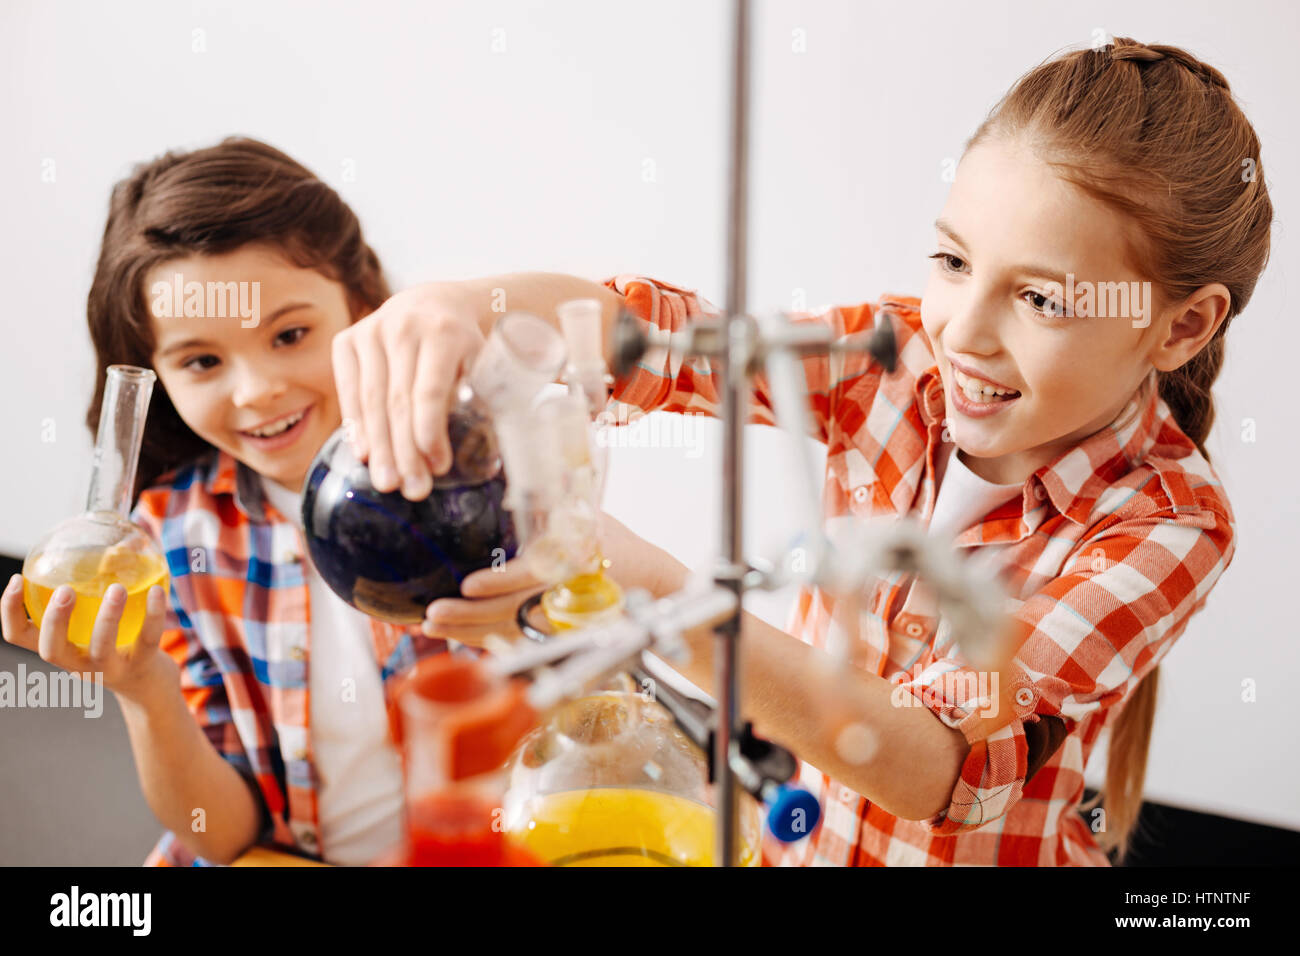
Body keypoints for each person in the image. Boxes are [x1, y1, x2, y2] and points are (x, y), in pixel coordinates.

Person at [333, 38, 1270, 865]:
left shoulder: (1168, 520)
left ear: (1182, 324)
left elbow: (932, 766)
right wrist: (464, 307)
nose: (964, 333)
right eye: (952, 262)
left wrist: (657, 594)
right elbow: (666, 341)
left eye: (1043, 300)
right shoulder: (894, 361)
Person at [2, 137, 450, 866]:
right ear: (157, 373)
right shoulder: (171, 540)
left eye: (291, 334)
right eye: (203, 360)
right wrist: (144, 688)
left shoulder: (451, 478)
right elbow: (226, 835)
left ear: (362, 305)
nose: (255, 390)